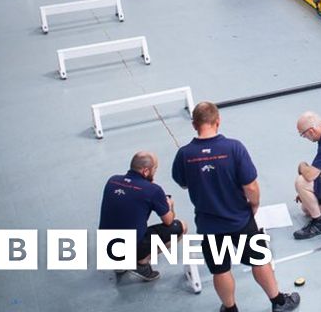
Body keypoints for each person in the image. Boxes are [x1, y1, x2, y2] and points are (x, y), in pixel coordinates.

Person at [173, 102, 299, 312]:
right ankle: (278, 302)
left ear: (194, 124)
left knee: (220, 269)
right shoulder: (234, 148)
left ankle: (230, 308)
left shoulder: (184, 154)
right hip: (240, 219)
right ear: (218, 121)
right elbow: (250, 185)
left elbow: (183, 182)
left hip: (208, 224)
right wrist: (254, 204)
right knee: (259, 259)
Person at [98, 151, 186, 282]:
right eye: (155, 169)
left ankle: (119, 264)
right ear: (146, 171)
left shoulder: (112, 180)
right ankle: (141, 263)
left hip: (107, 248)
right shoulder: (153, 190)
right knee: (181, 227)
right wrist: (170, 205)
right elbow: (169, 221)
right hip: (129, 247)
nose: (155, 172)